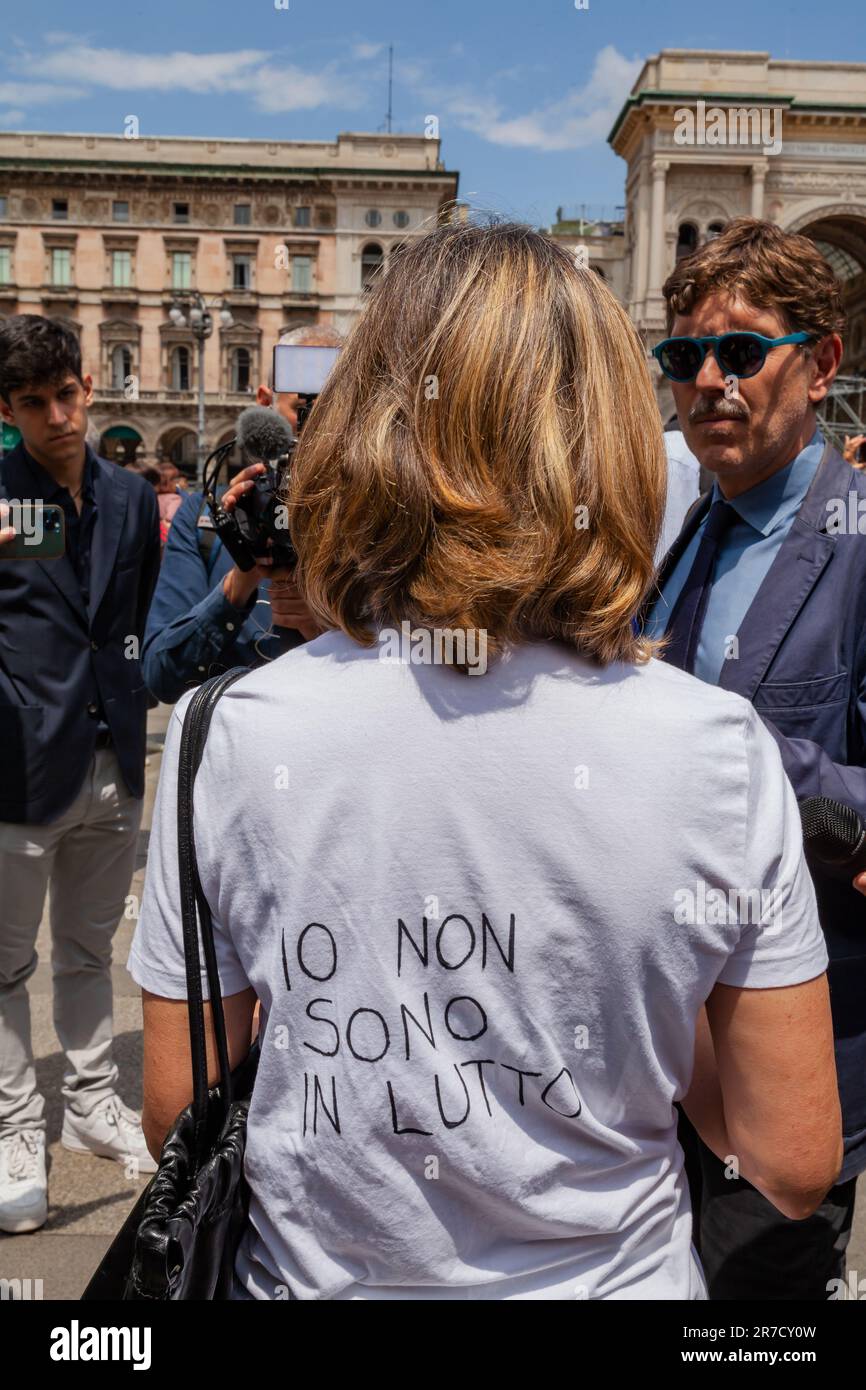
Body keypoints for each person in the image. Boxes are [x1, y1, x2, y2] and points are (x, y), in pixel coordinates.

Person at [127, 221, 841, 1301]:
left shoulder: (221, 732)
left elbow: (181, 1111)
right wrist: (635, 1007)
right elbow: (786, 1164)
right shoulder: (715, 749)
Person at [643, 217, 866, 1300]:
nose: (708, 383)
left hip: (795, 1057)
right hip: (660, 1047)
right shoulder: (694, 528)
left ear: (819, 363)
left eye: (740, 351)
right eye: (683, 357)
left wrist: (713, 748)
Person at [0, 315, 161, 1234]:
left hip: (115, 754)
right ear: (8, 409)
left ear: (88, 387)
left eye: (68, 395)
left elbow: (126, 618)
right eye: (35, 403)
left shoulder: (132, 498)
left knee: (91, 954)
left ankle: (92, 1105)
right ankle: (16, 1128)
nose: (58, 417)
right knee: (6, 966)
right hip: (16, 766)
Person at [140, 327, 334, 704]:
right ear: (265, 404)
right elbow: (162, 677)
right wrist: (240, 579)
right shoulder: (207, 520)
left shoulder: (376, 522)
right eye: (301, 411)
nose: (316, 432)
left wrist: (333, 629)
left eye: (335, 412)